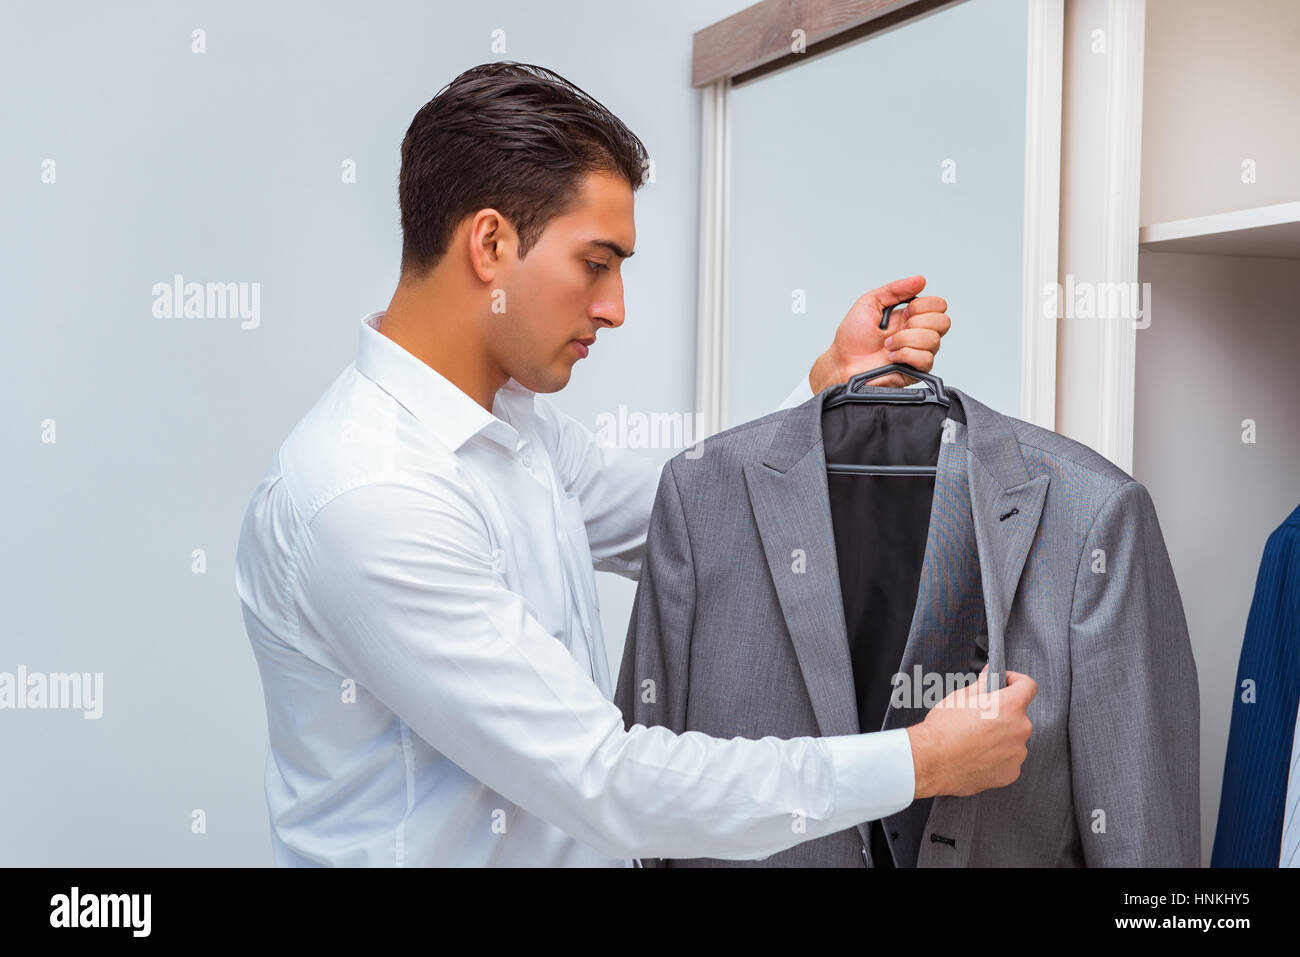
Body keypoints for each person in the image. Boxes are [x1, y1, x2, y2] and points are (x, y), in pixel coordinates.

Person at [234, 61, 1036, 867]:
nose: (615, 307)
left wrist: (826, 383)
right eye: (596, 261)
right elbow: (609, 783)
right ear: (489, 243)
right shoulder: (372, 495)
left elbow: (696, 517)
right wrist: (921, 760)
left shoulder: (515, 428)